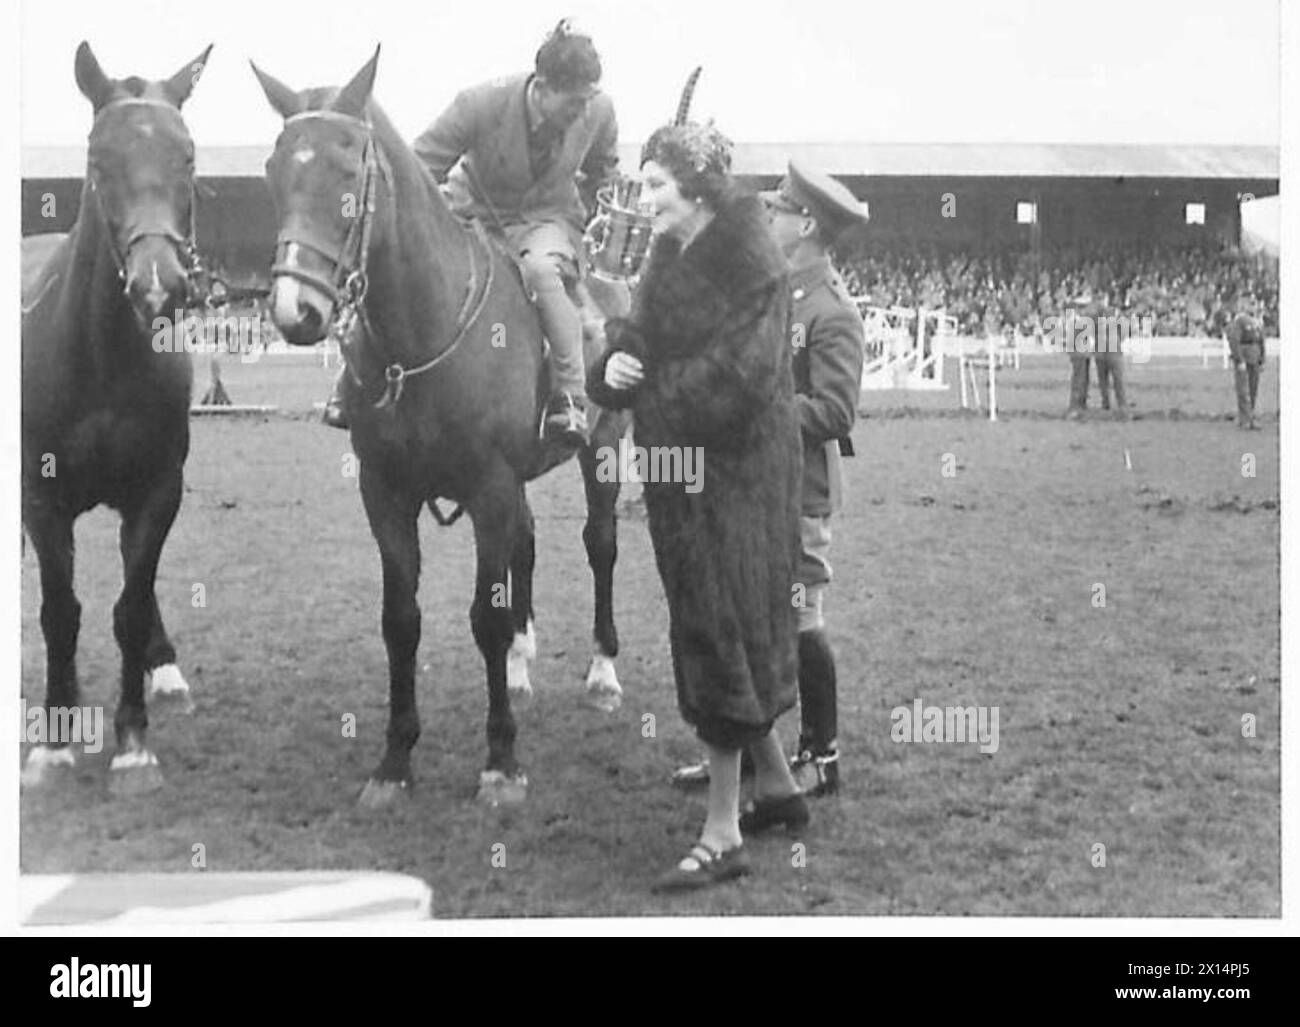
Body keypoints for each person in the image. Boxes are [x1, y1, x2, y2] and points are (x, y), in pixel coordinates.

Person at [588, 101, 806, 893]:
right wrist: (613, 363)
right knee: (714, 621)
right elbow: (636, 335)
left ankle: (723, 832)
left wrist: (649, 392)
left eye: (656, 185)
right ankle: (775, 785)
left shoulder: (755, 264)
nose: (644, 198)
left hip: (740, 478)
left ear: (699, 189)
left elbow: (741, 380)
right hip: (682, 471)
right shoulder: (667, 251)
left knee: (721, 626)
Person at [324, 19, 618, 444]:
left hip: (547, 220)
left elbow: (604, 168)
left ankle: (569, 397)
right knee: (409, 271)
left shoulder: (599, 110)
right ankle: (349, 382)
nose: (583, 112)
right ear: (542, 87)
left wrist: (590, 215)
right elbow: (419, 168)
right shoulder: (478, 104)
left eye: (587, 100)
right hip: (474, 216)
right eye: (574, 102)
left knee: (541, 271)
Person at [672, 161, 867, 799]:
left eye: (779, 211)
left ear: (805, 225)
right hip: (751, 486)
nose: (768, 218)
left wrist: (755, 409)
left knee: (801, 618)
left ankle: (822, 753)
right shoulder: (770, 291)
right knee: (746, 621)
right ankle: (755, 753)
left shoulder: (830, 310)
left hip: (799, 491)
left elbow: (835, 411)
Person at [1226, 292, 1266, 430]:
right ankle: (1244, 420)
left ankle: (1251, 417)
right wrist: (1239, 359)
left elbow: (1261, 342)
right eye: (1251, 304)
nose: (1254, 307)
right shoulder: (1240, 321)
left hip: (1255, 358)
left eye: (1255, 304)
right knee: (1243, 391)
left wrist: (1262, 359)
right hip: (1244, 357)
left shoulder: (1257, 322)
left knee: (1253, 390)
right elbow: (1235, 340)